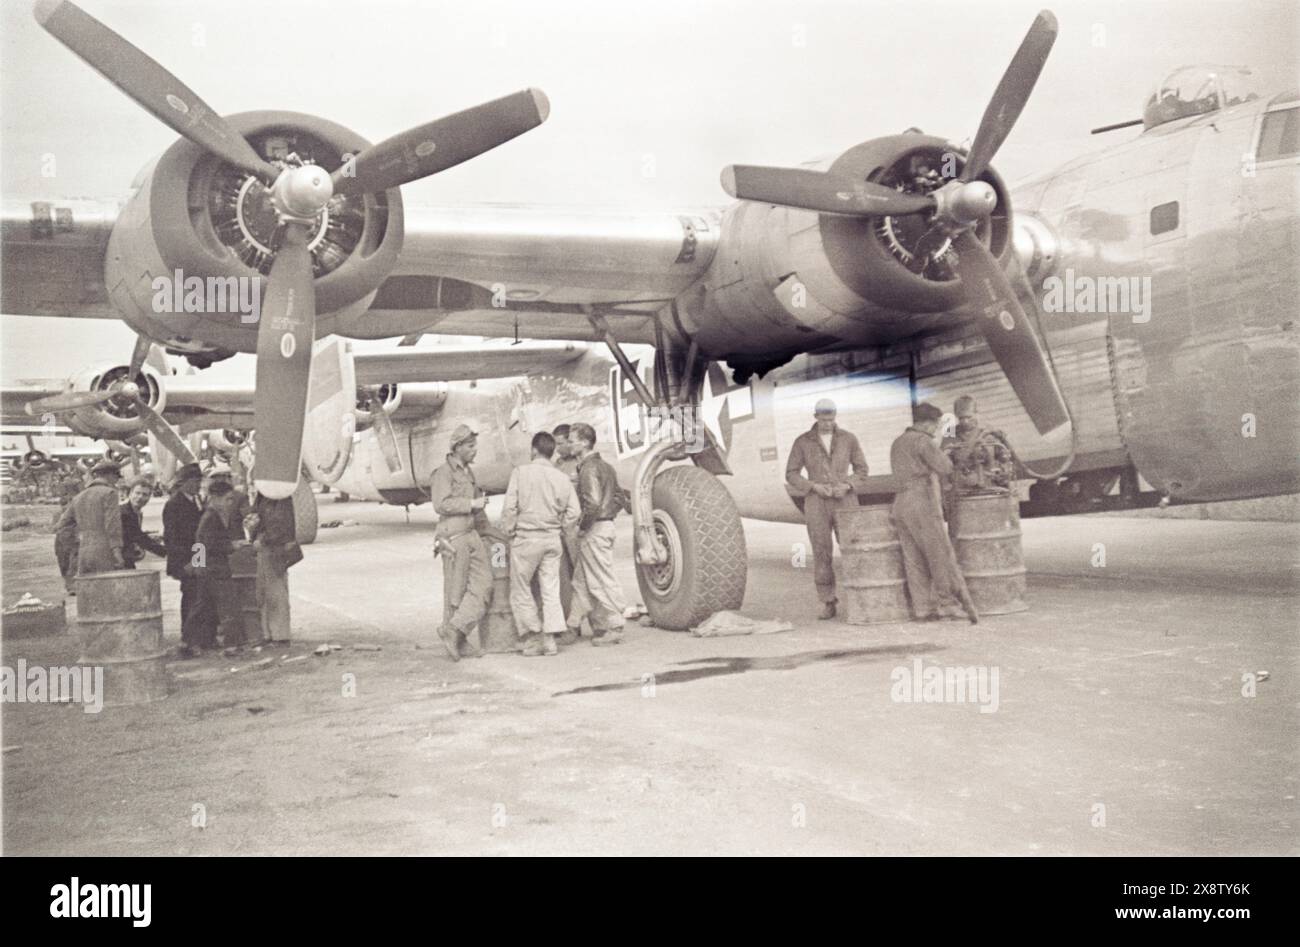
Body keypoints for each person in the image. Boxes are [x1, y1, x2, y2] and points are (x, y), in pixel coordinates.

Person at [890, 402, 979, 625]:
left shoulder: (898, 442)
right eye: (936, 425)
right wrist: (947, 454)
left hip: (900, 504)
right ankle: (947, 605)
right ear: (927, 423)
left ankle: (922, 609)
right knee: (938, 555)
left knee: (913, 559)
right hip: (922, 502)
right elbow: (945, 467)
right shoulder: (923, 441)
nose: (937, 430)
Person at [784, 398, 870, 619]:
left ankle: (861, 598)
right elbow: (791, 473)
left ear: (835, 416)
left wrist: (848, 485)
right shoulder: (803, 442)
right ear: (815, 417)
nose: (827, 424)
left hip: (845, 501)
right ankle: (828, 601)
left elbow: (862, 469)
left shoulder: (848, 439)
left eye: (830, 419)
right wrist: (813, 487)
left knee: (853, 549)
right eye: (823, 419)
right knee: (822, 553)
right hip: (816, 503)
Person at [500, 431, 581, 656]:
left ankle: (532, 637)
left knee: (521, 588)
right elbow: (575, 511)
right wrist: (561, 527)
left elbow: (509, 508)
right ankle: (550, 640)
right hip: (552, 539)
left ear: (533, 450)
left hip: (526, 539)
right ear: (552, 452)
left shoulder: (520, 473)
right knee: (550, 588)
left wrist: (509, 530)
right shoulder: (562, 478)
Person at [429, 424, 493, 661]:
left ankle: (455, 630)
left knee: (484, 585)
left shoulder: (468, 472)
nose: (475, 450)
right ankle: (458, 637)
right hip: (454, 537)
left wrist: (491, 532)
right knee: (455, 593)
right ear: (457, 448)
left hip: (471, 533)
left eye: (475, 445)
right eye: (470, 446)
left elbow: (478, 507)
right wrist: (470, 504)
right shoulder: (443, 473)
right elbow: (440, 504)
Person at [570, 422, 628, 646]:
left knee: (600, 580)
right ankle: (574, 623)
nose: (569, 444)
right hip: (606, 526)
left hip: (595, 528)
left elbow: (592, 504)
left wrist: (582, 527)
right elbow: (621, 498)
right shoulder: (606, 467)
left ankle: (615, 624)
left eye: (573, 440)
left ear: (585, 442)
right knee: (583, 580)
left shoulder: (588, 468)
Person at [163, 463, 217, 655]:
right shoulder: (173, 504)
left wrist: (200, 561)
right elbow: (171, 538)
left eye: (199, 481)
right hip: (185, 561)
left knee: (201, 597)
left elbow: (200, 535)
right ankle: (188, 640)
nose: (198, 485)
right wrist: (185, 564)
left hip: (197, 557)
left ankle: (203, 638)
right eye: (194, 481)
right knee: (191, 599)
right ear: (183, 482)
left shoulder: (197, 501)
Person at [193, 479, 247, 648]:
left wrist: (199, 566)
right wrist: (232, 545)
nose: (230, 503)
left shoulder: (213, 515)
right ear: (216, 498)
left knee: (204, 607)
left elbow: (199, 542)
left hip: (209, 568)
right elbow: (205, 543)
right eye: (228, 499)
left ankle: (192, 642)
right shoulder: (211, 517)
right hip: (215, 568)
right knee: (229, 607)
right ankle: (233, 644)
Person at [551, 422, 589, 643]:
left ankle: (577, 623)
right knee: (564, 575)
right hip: (561, 527)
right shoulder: (557, 465)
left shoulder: (581, 465)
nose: (557, 448)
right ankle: (571, 621)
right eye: (555, 444)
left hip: (576, 526)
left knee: (581, 574)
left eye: (561, 443)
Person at [246, 487, 297, 645]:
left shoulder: (277, 496)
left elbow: (281, 525)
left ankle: (278, 634)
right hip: (267, 547)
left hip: (273, 548)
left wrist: (261, 538)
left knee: (275, 591)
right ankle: (272, 632)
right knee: (268, 591)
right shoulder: (269, 494)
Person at [66, 460, 126, 576]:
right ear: (110, 475)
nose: (116, 481)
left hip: (83, 551)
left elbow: (62, 524)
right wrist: (117, 552)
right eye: (116, 477)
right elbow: (112, 525)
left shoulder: (79, 496)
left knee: (89, 589)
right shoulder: (110, 493)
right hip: (104, 550)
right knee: (108, 589)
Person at [120, 476, 166, 567]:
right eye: (137, 493)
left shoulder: (136, 512)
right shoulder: (124, 513)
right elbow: (139, 538)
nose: (140, 497)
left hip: (127, 558)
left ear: (149, 497)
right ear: (130, 494)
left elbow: (134, 534)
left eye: (145, 494)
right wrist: (166, 552)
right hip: (120, 560)